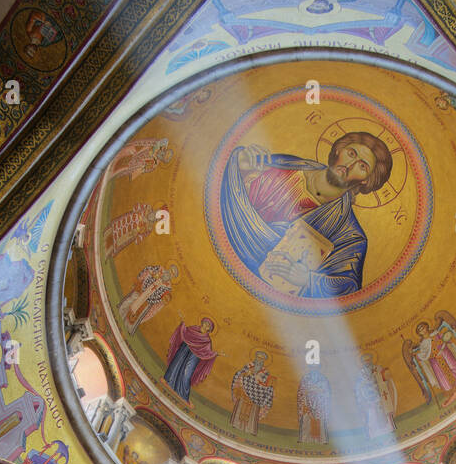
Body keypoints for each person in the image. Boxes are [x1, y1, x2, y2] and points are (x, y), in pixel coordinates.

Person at [220, 131, 394, 298]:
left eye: (362, 166)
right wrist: (240, 163)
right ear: (338, 150)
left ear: (365, 180)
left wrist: (309, 280)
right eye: (351, 153)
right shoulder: (287, 164)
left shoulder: (350, 235)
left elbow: (349, 287)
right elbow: (229, 189)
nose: (349, 165)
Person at [164, 318, 218, 401]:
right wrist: (182, 326)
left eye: (208, 326)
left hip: (195, 356)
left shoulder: (207, 341)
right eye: (205, 323)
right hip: (185, 347)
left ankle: (183, 395)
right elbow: (185, 332)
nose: (206, 325)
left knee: (187, 373)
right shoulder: (193, 329)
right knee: (176, 363)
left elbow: (207, 353)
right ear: (202, 323)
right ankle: (168, 380)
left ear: (209, 330)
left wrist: (214, 354)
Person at [230, 352, 274, 435]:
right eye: (258, 359)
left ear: (263, 362)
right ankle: (236, 424)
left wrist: (260, 384)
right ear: (255, 358)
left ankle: (250, 429)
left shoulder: (266, 373)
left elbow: (265, 383)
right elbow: (240, 374)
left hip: (257, 396)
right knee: (241, 408)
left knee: (252, 413)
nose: (259, 361)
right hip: (244, 392)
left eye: (261, 360)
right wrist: (246, 374)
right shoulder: (248, 366)